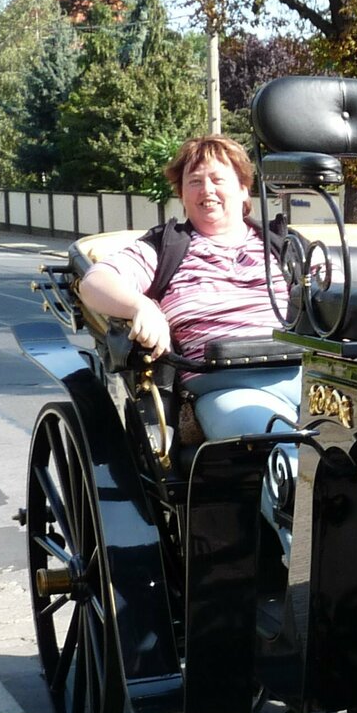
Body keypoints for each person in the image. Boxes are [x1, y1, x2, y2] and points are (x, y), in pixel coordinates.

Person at [76, 134, 302, 537]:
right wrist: (141, 307)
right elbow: (95, 283)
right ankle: (306, 571)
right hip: (228, 388)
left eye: (218, 179)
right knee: (285, 459)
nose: (207, 190)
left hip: (309, 378)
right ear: (181, 193)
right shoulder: (167, 246)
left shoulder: (283, 246)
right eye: (194, 181)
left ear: (244, 188)